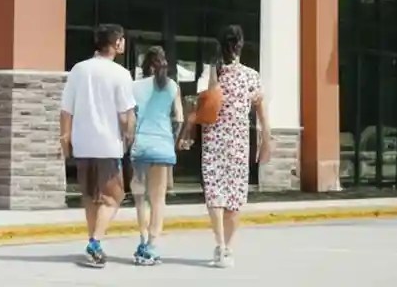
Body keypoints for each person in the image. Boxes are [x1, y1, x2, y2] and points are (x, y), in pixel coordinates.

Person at [178, 24, 270, 268]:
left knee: (215, 194)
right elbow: (261, 109)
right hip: (239, 142)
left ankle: (219, 245)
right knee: (235, 196)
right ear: (240, 46)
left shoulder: (212, 73)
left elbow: (198, 103)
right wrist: (266, 139)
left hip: (214, 141)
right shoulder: (251, 76)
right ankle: (228, 248)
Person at [60, 24, 136, 268]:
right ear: (116, 43)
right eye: (122, 40)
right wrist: (129, 135)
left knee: (91, 197)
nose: (123, 43)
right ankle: (95, 242)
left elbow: (66, 110)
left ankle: (94, 244)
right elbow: (126, 116)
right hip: (107, 144)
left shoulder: (78, 70)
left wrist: (65, 139)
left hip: (82, 143)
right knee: (114, 197)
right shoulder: (120, 74)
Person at [128, 45, 183, 265]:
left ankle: (142, 241)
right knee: (158, 201)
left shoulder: (134, 86)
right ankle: (152, 246)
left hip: (140, 147)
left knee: (140, 199)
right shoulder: (172, 87)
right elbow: (179, 118)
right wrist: (173, 138)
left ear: (146, 65)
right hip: (162, 147)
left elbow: (130, 118)